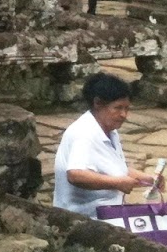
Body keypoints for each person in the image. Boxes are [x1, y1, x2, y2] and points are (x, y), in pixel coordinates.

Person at [53, 72, 160, 218]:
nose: (124, 115)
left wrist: (149, 180)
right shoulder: (83, 133)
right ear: (98, 103)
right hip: (84, 218)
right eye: (118, 108)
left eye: (127, 109)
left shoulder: (109, 131)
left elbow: (114, 168)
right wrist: (117, 183)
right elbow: (75, 174)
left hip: (107, 213)